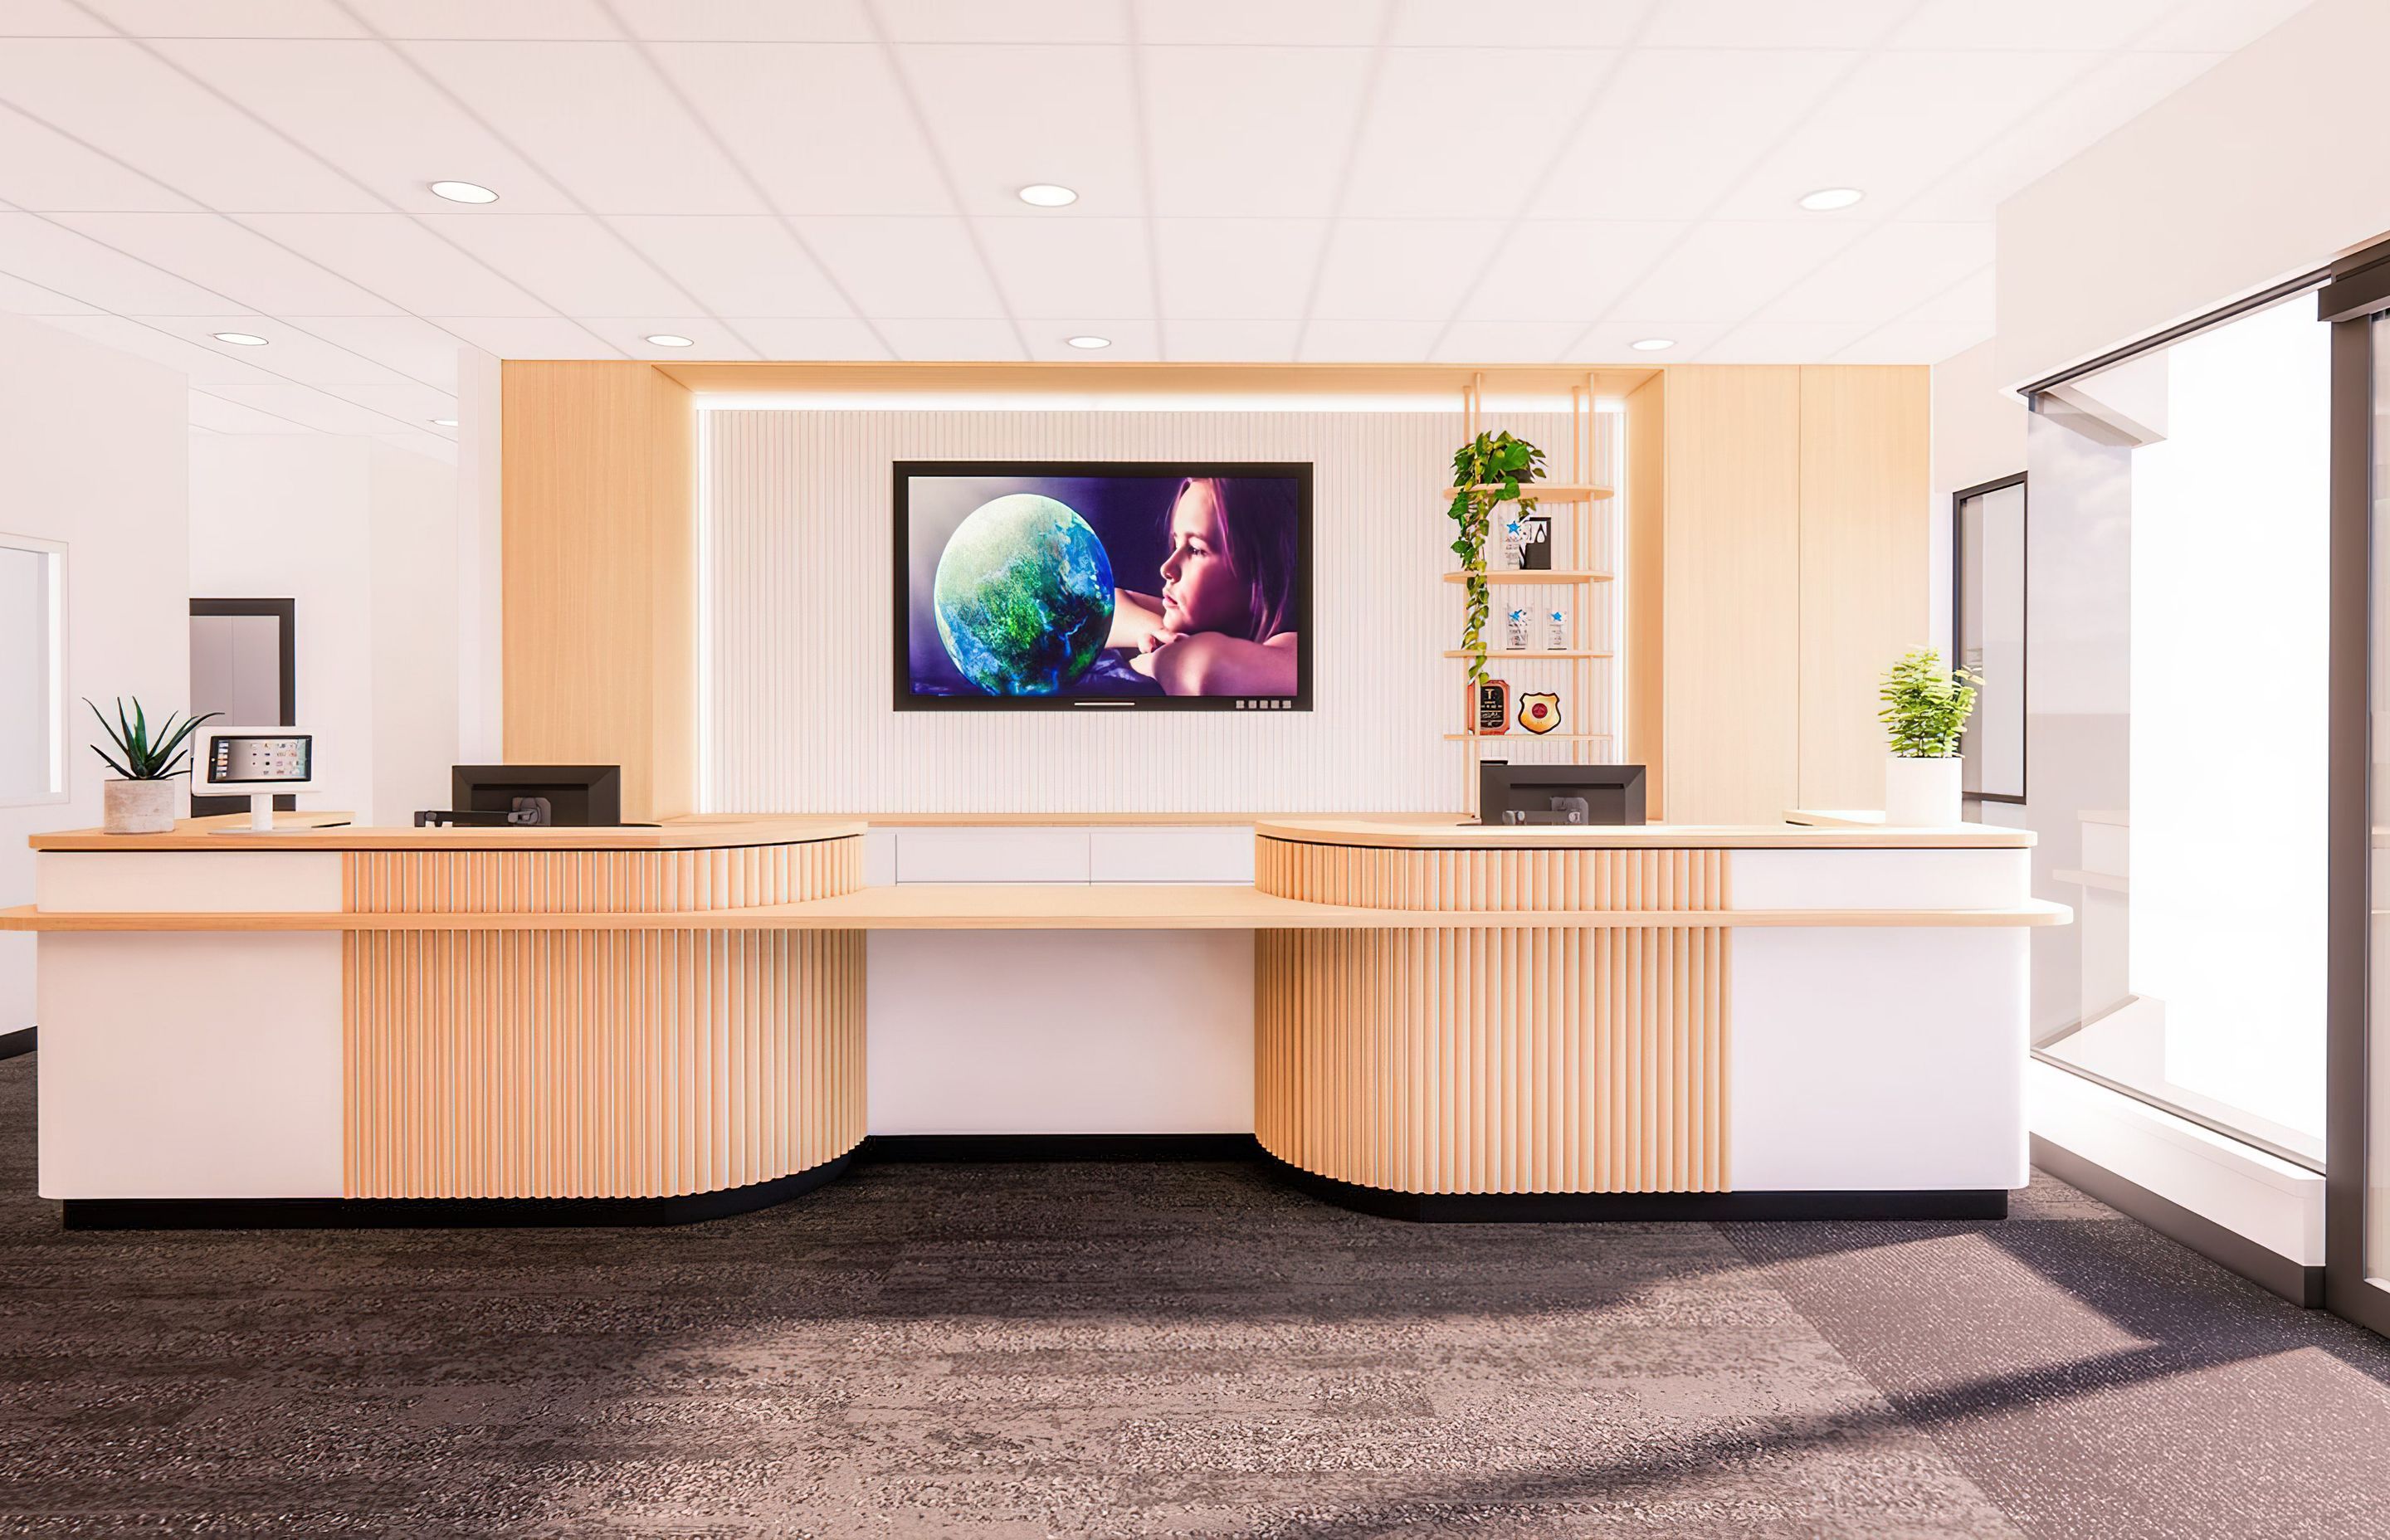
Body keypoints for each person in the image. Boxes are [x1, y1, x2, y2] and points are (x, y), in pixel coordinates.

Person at [1106, 476, 1299, 696]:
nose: (1167, 568)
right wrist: (1159, 633)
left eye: (1195, 549)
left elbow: (1206, 671)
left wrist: (1156, 659)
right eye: (1176, 543)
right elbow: (1106, 608)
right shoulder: (1202, 622)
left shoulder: (1297, 647)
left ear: (1260, 576)